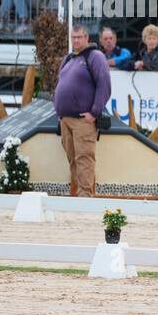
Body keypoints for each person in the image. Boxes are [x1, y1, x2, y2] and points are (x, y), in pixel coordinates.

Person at [54, 24, 112, 197]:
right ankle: (80, 195)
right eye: (73, 37)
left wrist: (94, 113)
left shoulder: (95, 56)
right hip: (65, 119)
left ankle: (85, 198)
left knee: (84, 158)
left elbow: (105, 86)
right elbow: (60, 85)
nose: (76, 40)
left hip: (83, 120)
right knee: (73, 160)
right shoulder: (68, 59)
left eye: (79, 37)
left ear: (87, 38)